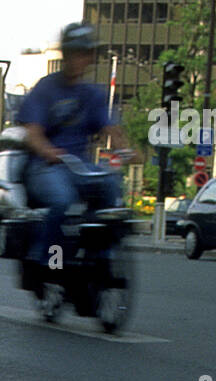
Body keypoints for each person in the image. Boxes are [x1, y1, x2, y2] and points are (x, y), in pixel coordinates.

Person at [19, 22, 138, 271]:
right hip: (46, 167)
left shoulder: (92, 94)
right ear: (65, 54)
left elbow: (110, 129)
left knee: (110, 190)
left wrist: (126, 150)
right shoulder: (46, 88)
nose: (81, 58)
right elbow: (32, 132)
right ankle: (52, 260)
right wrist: (47, 150)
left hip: (79, 166)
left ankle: (101, 256)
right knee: (63, 201)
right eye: (76, 52)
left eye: (86, 53)